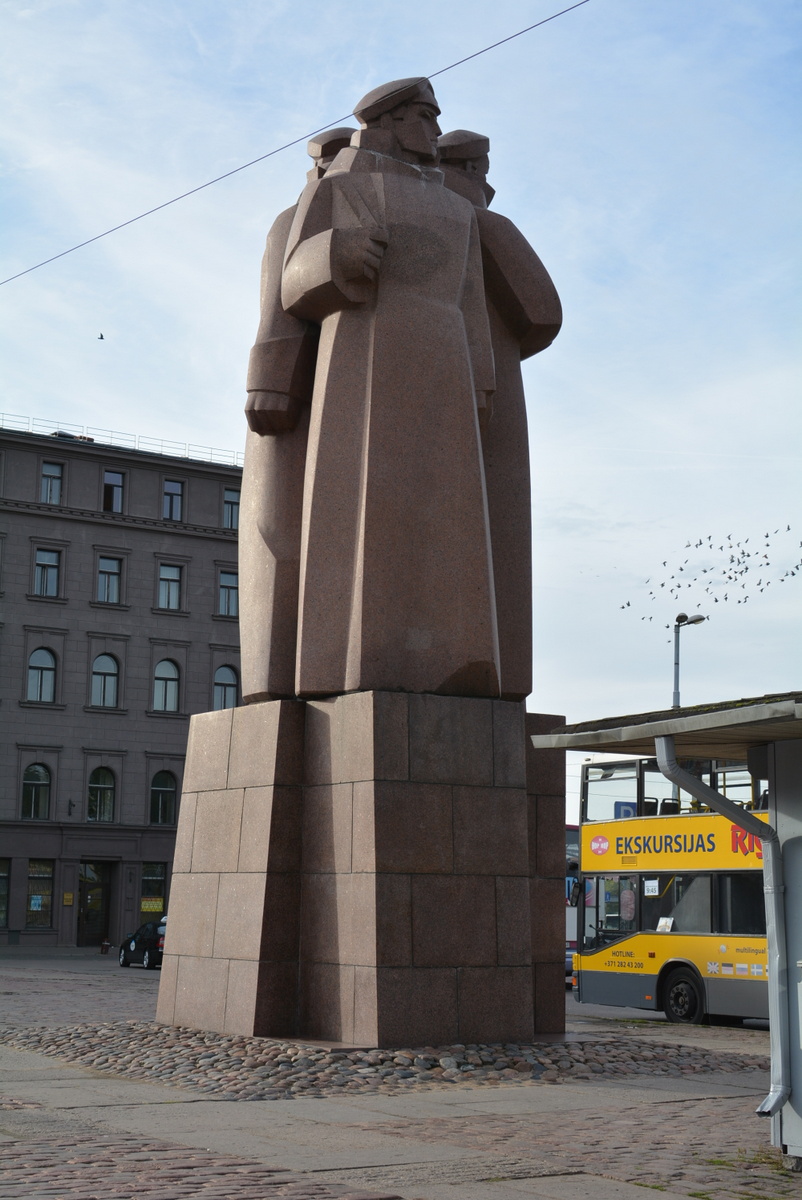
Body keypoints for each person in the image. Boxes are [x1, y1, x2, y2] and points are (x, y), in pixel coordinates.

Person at [277, 78, 501, 698]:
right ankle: (351, 661)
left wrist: (480, 375)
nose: (434, 130)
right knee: (359, 505)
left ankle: (453, 657)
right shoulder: (341, 188)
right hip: (364, 354)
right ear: (392, 120)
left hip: (445, 357)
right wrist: (335, 254)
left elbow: (472, 302)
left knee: (451, 510)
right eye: (425, 117)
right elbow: (291, 284)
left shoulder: (458, 210)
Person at [438, 129, 562, 700]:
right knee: (496, 533)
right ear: (470, 169)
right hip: (494, 390)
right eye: (482, 168)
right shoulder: (485, 224)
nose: (489, 182)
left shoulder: (412, 220)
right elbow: (543, 310)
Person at [239, 128, 356, 702]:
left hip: (341, 406)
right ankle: (275, 684)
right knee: (282, 539)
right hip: (291, 405)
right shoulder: (296, 220)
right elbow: (276, 305)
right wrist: (269, 381)